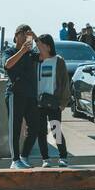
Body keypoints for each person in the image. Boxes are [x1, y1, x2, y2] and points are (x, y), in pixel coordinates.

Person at [24, 34, 70, 167]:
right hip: (38, 102)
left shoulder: (58, 60)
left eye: (40, 45)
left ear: (49, 47)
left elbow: (64, 83)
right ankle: (46, 159)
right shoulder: (36, 60)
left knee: (56, 129)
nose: (38, 47)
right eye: (37, 45)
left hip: (54, 102)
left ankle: (63, 156)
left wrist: (63, 103)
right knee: (41, 131)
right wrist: (30, 36)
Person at [3, 24, 44, 170]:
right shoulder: (10, 51)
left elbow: (45, 55)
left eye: (27, 34)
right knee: (15, 127)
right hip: (15, 93)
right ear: (16, 35)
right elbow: (8, 65)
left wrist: (36, 38)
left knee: (35, 127)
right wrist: (22, 50)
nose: (25, 36)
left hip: (31, 94)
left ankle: (24, 156)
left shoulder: (32, 53)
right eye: (23, 33)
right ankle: (14, 160)